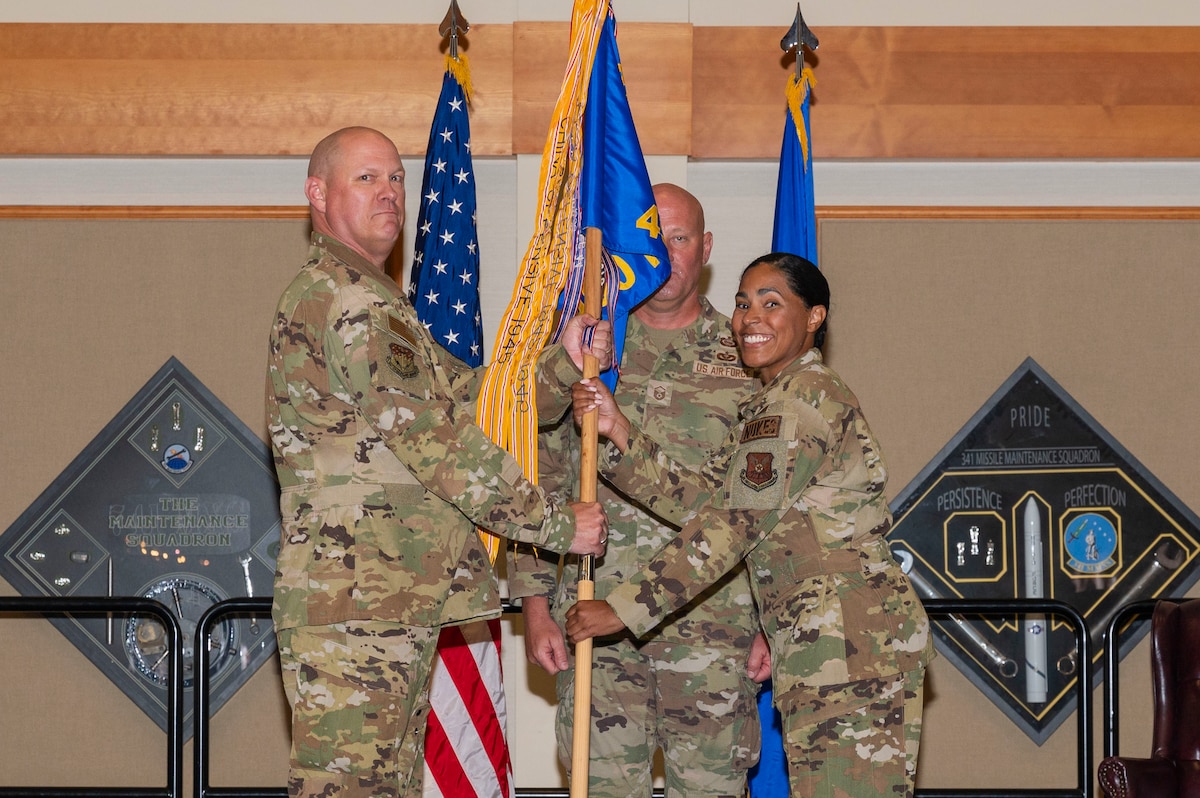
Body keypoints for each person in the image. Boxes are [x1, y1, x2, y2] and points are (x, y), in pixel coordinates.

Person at [267, 126, 611, 798]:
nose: (390, 193)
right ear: (317, 193)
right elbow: (440, 445)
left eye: (396, 178)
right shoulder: (347, 302)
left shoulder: (382, 304)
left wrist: (561, 360)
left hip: (387, 602)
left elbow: (475, 402)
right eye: (366, 178)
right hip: (356, 606)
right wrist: (556, 525)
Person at [566, 252, 935, 798]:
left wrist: (622, 610)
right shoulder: (771, 403)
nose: (749, 318)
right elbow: (702, 501)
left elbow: (732, 526)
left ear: (814, 317)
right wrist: (619, 434)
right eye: (742, 304)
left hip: (850, 645)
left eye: (771, 303)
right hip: (824, 643)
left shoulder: (801, 401)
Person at [508, 184, 765, 798]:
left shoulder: (752, 355)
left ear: (705, 249)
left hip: (715, 629)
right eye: (653, 238)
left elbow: (768, 511)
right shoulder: (586, 353)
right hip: (597, 622)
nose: (666, 255)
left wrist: (772, 626)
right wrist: (535, 607)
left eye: (679, 239)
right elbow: (536, 482)